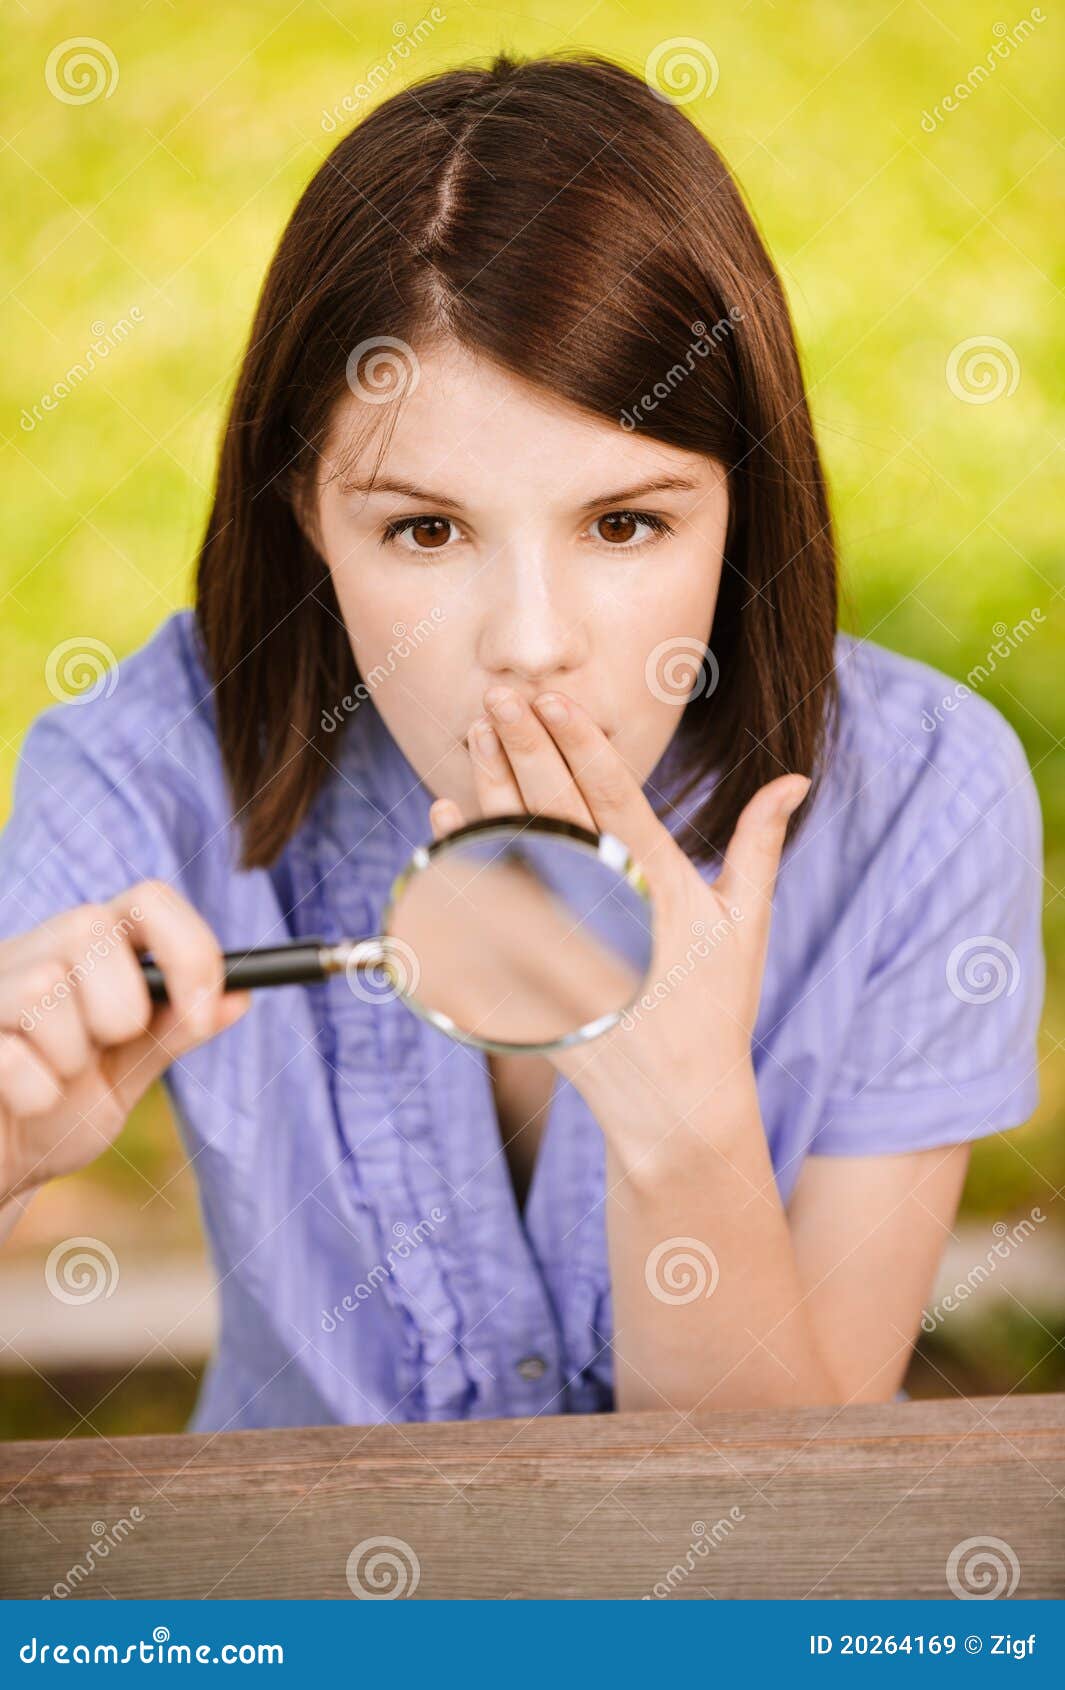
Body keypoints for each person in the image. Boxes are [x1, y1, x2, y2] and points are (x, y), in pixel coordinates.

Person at [0, 52, 1043, 1431]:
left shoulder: (923, 795)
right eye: (424, 530)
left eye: (624, 524)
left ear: (744, 506)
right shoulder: (153, 762)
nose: (530, 641)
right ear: (305, 517)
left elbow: (780, 1556)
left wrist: (685, 1131)